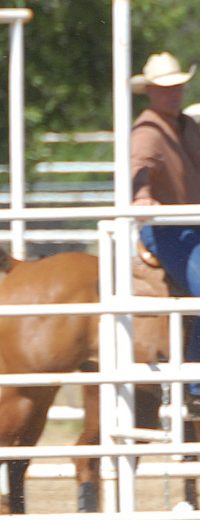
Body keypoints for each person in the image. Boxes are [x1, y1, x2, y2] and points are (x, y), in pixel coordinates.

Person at [130, 51, 200, 414]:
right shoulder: (148, 130)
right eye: (166, 88)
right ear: (152, 91)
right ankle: (196, 383)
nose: (173, 93)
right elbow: (140, 165)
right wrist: (142, 195)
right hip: (169, 230)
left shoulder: (186, 125)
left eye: (177, 88)